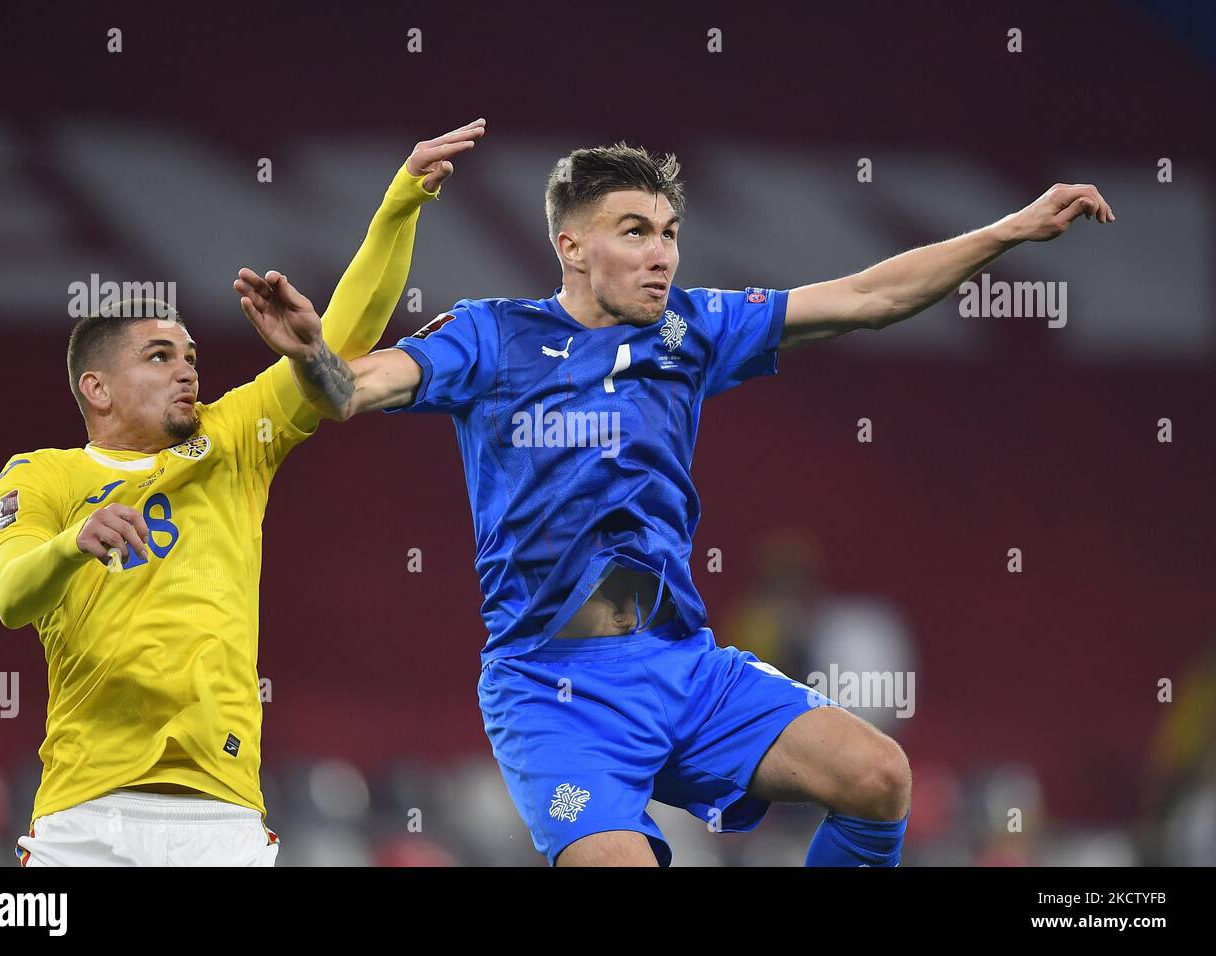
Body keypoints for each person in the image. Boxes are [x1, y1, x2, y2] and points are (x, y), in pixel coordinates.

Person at [245, 143, 1113, 866]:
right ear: (572, 246)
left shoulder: (688, 330)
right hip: (555, 692)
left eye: (669, 233)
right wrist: (310, 352)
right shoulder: (491, 336)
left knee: (877, 776)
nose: (662, 252)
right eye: (635, 232)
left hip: (681, 666)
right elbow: (350, 391)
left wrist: (1012, 229)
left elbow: (866, 297)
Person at [0, 119, 486, 866]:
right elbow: (11, 596)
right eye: (160, 357)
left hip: (219, 816)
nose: (189, 370)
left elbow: (342, 344)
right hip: (85, 815)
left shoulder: (231, 441)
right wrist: (70, 544)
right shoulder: (43, 474)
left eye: (190, 355)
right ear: (97, 387)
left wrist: (402, 201)